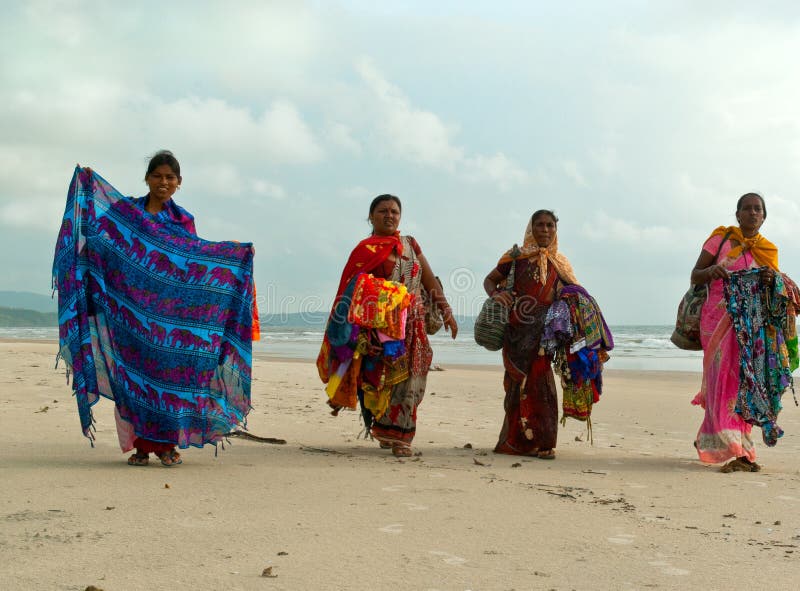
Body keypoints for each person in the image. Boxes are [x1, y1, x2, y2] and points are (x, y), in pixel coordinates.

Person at [53, 150, 258, 467]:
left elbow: (192, 261)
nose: (164, 182)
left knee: (169, 380)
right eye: (158, 176)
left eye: (170, 177)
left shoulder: (183, 220)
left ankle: (168, 447)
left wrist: (234, 254)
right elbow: (100, 238)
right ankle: (141, 447)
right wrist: (90, 186)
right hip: (130, 313)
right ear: (147, 178)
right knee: (134, 377)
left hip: (171, 316)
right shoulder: (127, 212)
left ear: (179, 183)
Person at [317, 194, 457, 457]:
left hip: (413, 325)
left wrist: (446, 311)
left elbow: (428, 280)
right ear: (371, 216)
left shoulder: (410, 244)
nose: (389, 215)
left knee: (412, 378)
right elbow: (352, 291)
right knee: (381, 380)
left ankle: (402, 437)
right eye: (383, 211)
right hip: (380, 328)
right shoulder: (365, 250)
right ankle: (385, 430)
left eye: (394, 211)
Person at [690, 192, 795, 472]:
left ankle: (739, 448)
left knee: (744, 384)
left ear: (764, 216)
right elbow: (695, 275)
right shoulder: (720, 239)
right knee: (718, 384)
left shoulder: (768, 250)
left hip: (751, 330)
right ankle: (722, 441)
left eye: (757, 209)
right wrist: (712, 270)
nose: (752, 213)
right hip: (715, 323)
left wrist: (771, 279)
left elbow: (777, 293)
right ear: (737, 214)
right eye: (746, 208)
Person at [483, 210, 582, 459]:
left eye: (550, 225)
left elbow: (575, 293)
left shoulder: (560, 263)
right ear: (531, 227)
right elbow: (490, 280)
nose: (545, 230)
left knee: (542, 385)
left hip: (544, 335)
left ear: (555, 230)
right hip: (516, 330)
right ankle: (514, 443)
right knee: (514, 386)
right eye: (540, 225)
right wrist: (497, 294)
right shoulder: (514, 257)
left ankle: (545, 442)